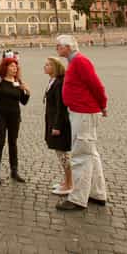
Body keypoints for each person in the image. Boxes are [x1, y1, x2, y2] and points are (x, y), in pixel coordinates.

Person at [54, 35, 108, 211]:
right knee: (91, 154)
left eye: (58, 46)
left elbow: (96, 85)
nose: (57, 49)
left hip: (83, 112)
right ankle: (97, 193)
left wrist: (103, 104)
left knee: (81, 155)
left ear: (68, 47)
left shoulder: (80, 61)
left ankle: (77, 199)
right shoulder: (75, 62)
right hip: (81, 111)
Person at [43, 56, 72, 195]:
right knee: (60, 154)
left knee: (63, 154)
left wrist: (57, 126)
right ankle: (66, 180)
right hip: (52, 119)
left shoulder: (59, 83)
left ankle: (69, 183)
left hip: (58, 122)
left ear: (55, 67)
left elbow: (61, 106)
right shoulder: (53, 80)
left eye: (48, 65)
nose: (45, 67)